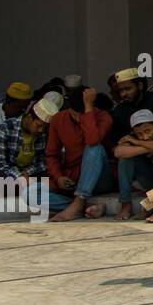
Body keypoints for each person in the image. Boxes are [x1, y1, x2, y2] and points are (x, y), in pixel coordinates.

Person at [44, 85, 116, 221]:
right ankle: (87, 206)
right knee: (30, 194)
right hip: (72, 178)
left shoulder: (103, 117)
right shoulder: (58, 119)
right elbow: (52, 154)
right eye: (75, 114)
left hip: (100, 179)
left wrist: (88, 110)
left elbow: (92, 140)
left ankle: (78, 202)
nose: (79, 118)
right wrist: (58, 177)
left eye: (83, 114)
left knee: (94, 149)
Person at [114, 109, 153, 221]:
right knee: (124, 159)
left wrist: (139, 143)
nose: (144, 136)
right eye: (139, 134)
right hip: (150, 180)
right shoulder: (132, 137)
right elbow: (118, 152)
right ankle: (125, 203)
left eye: (147, 131)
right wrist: (151, 147)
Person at [0, 93, 63, 183]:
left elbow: (44, 161)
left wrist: (27, 172)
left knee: (51, 178)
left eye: (44, 128)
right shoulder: (5, 128)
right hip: (9, 173)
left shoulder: (43, 134)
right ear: (29, 117)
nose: (41, 130)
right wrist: (19, 176)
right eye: (38, 126)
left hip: (31, 173)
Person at [107, 67, 153, 152]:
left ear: (140, 85)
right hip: (137, 154)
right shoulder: (120, 111)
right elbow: (117, 144)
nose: (124, 94)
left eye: (128, 89)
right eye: (121, 91)